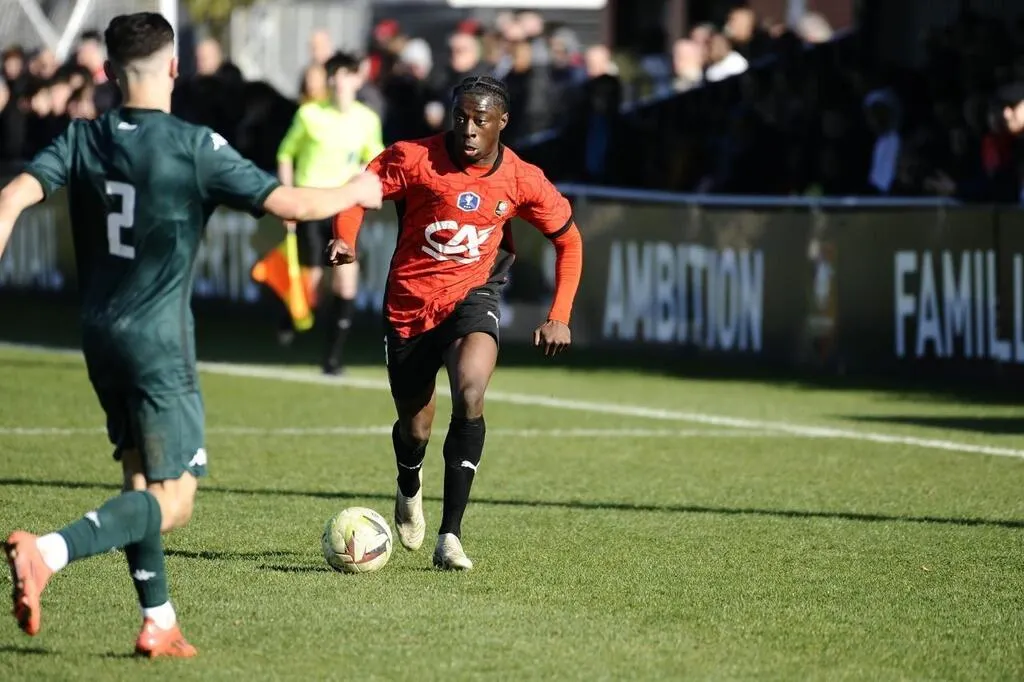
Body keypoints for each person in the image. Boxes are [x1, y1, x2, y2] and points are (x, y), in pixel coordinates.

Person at [0, 12, 382, 657]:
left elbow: (10, 197)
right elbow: (291, 206)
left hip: (96, 334)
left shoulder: (82, 138)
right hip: (158, 340)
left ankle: (160, 619)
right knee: (173, 505)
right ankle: (49, 552)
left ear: (106, 73)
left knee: (139, 482)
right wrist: (359, 188)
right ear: (175, 68)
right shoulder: (193, 144)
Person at [330, 75, 584, 570]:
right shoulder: (414, 158)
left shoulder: (522, 178)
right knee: (416, 427)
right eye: (461, 118)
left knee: (471, 390)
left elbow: (569, 240)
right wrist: (346, 239)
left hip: (474, 294)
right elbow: (357, 193)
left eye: (480, 120)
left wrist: (559, 315)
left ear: (502, 123)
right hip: (409, 304)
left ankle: (450, 536)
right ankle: (409, 480)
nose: (468, 129)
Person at [276, 51, 385, 374]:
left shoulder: (367, 119)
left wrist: (371, 185)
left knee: (346, 281)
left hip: (345, 208)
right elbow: (285, 153)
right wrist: (287, 197)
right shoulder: (309, 114)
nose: (339, 81)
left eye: (346, 74)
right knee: (312, 282)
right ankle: (289, 316)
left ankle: (333, 358)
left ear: (357, 79)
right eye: (334, 75)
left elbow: (375, 160)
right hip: (310, 204)